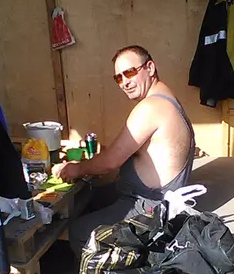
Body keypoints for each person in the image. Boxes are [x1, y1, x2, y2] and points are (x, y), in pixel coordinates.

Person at [52, 45, 195, 257]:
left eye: (129, 73)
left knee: (79, 232)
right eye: (118, 78)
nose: (124, 82)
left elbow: (111, 162)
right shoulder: (166, 98)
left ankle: (109, 273)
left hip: (150, 207)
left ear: (150, 68)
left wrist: (75, 169)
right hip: (144, 195)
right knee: (90, 198)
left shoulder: (152, 107)